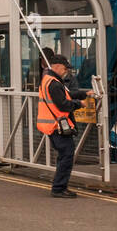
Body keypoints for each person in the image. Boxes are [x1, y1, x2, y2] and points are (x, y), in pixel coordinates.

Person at [37, 49, 95, 198]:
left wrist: (84, 93)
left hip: (53, 125)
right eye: (64, 68)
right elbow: (63, 104)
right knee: (67, 155)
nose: (66, 72)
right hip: (57, 126)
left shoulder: (50, 80)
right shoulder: (54, 83)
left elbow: (66, 94)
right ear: (56, 66)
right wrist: (79, 104)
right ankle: (59, 188)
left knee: (64, 155)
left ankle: (60, 186)